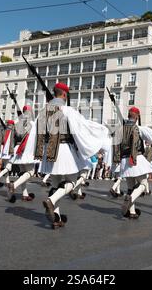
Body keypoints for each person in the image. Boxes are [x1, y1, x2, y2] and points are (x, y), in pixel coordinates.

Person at [22, 83, 109, 229]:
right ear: (64, 94)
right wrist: (102, 130)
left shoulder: (43, 111)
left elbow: (36, 133)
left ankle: (56, 217)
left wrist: (37, 152)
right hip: (64, 150)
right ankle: (51, 200)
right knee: (72, 182)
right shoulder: (68, 110)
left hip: (49, 152)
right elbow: (83, 126)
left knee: (56, 184)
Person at [111, 107, 152, 219]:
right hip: (136, 159)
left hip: (124, 161)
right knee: (143, 185)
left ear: (128, 115)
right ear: (137, 117)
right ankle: (130, 199)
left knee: (130, 188)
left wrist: (115, 163)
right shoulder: (139, 128)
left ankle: (132, 212)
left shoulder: (119, 129)